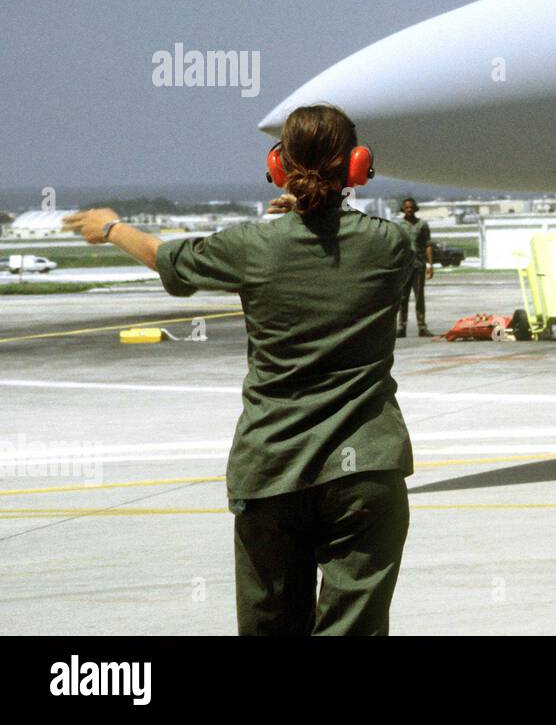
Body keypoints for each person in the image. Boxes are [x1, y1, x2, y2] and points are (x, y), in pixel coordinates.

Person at [62, 103, 414, 635]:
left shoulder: (251, 247)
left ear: (279, 167)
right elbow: (336, 246)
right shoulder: (393, 244)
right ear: (358, 166)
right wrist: (308, 212)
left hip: (272, 469)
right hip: (364, 469)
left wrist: (111, 227)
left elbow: (167, 259)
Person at [397, 197, 434, 338]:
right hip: (404, 267)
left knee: (419, 298)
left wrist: (430, 264)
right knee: (402, 298)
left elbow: (428, 244)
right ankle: (402, 327)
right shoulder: (399, 225)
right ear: (403, 209)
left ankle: (422, 327)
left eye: (411, 208)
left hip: (419, 266)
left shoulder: (422, 225)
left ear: (415, 209)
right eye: (406, 208)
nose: (409, 210)